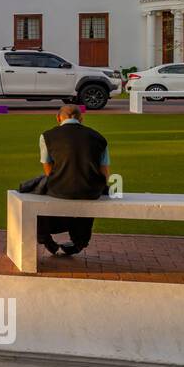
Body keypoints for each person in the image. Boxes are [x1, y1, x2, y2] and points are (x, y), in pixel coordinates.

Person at [36, 103, 111, 256]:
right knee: (90, 192)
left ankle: (44, 236)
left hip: (60, 186)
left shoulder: (47, 136)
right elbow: (104, 171)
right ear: (81, 118)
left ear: (58, 118)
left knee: (33, 190)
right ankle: (80, 240)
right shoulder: (98, 137)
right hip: (90, 189)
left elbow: (48, 168)